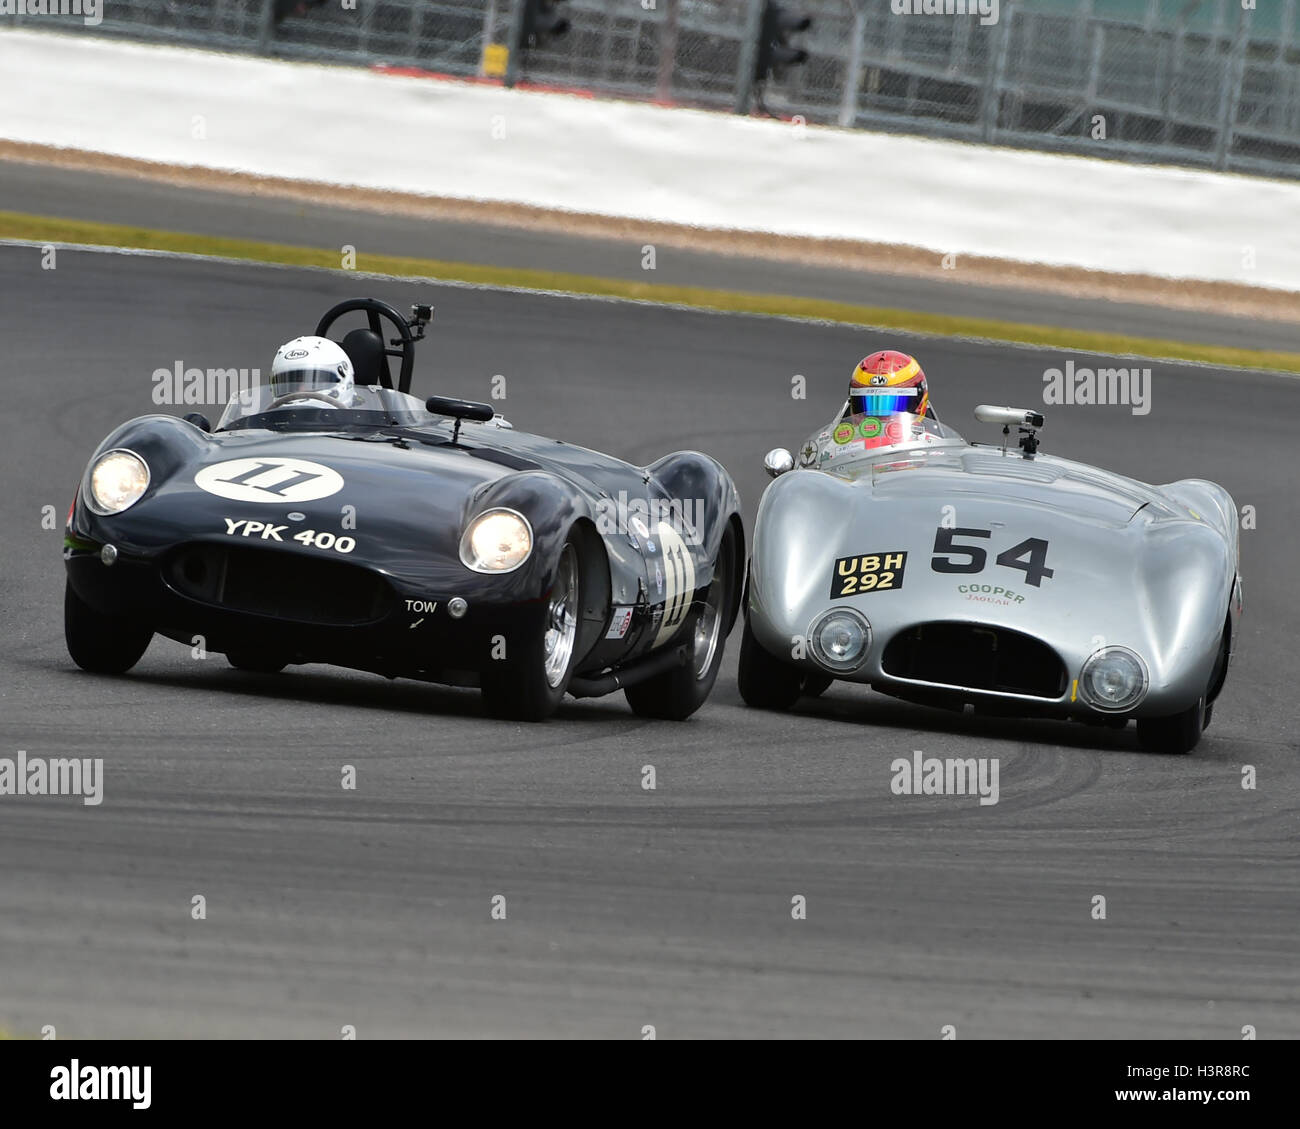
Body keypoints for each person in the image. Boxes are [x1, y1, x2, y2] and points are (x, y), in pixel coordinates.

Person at [268, 336, 357, 409]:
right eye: (291, 383)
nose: (300, 391)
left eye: (310, 382)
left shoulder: (366, 428)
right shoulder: (264, 429)